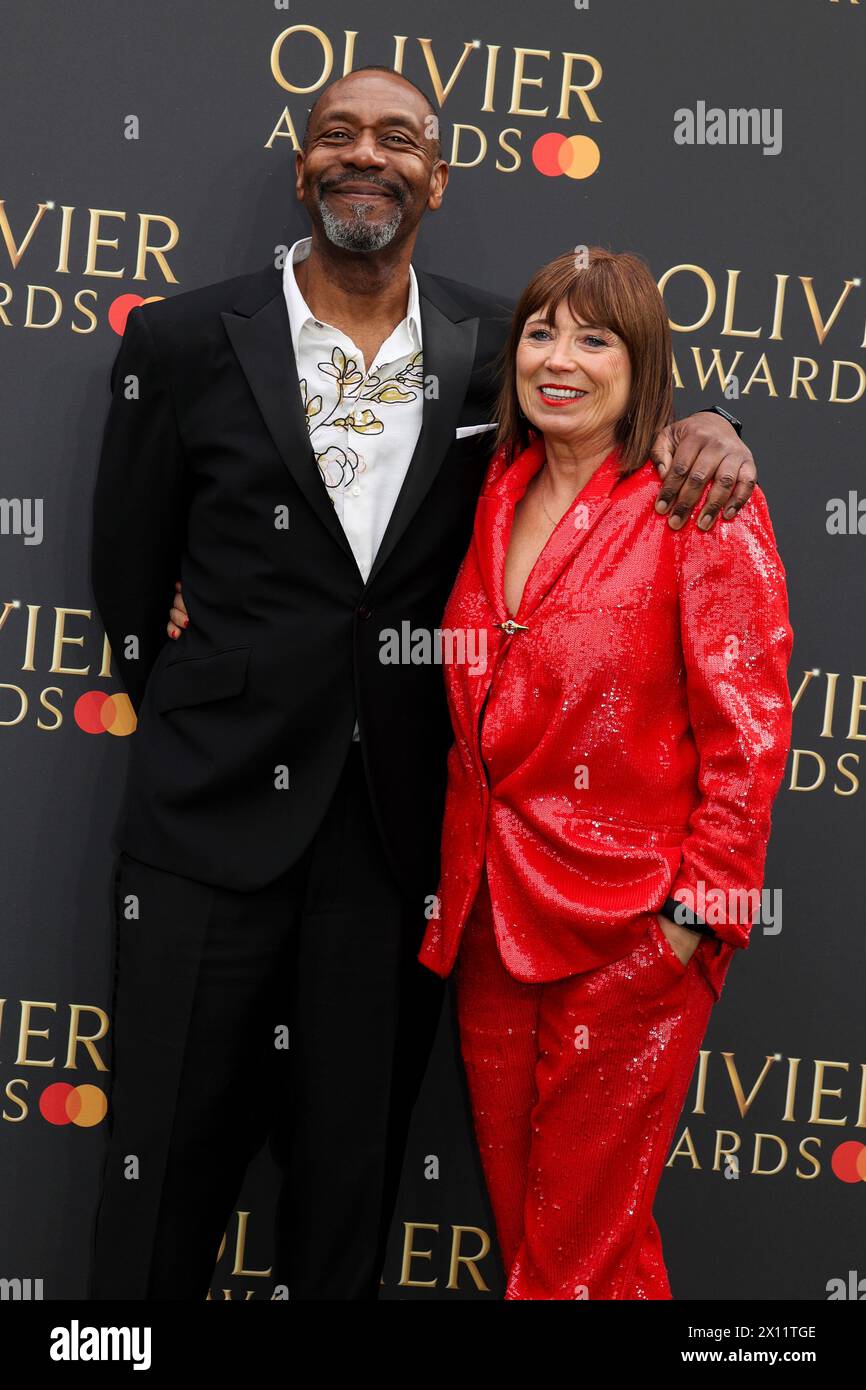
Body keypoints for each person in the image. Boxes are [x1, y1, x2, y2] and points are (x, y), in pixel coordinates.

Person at [90, 65, 758, 1301]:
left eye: (398, 139)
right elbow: (125, 585)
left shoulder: (490, 346)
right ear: (301, 168)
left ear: (435, 178)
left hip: (397, 852)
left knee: (346, 1196)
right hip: (201, 834)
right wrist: (200, 677)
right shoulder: (181, 339)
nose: (366, 157)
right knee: (153, 1191)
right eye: (336, 134)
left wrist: (707, 423)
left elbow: (601, 398)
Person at [417, 247, 794, 1300]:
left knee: (571, 1253)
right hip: (490, 922)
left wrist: (692, 914)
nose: (560, 358)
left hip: (630, 930)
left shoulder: (693, 504)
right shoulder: (491, 483)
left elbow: (750, 728)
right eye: (540, 332)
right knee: (562, 1243)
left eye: (595, 338)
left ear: (644, 366)